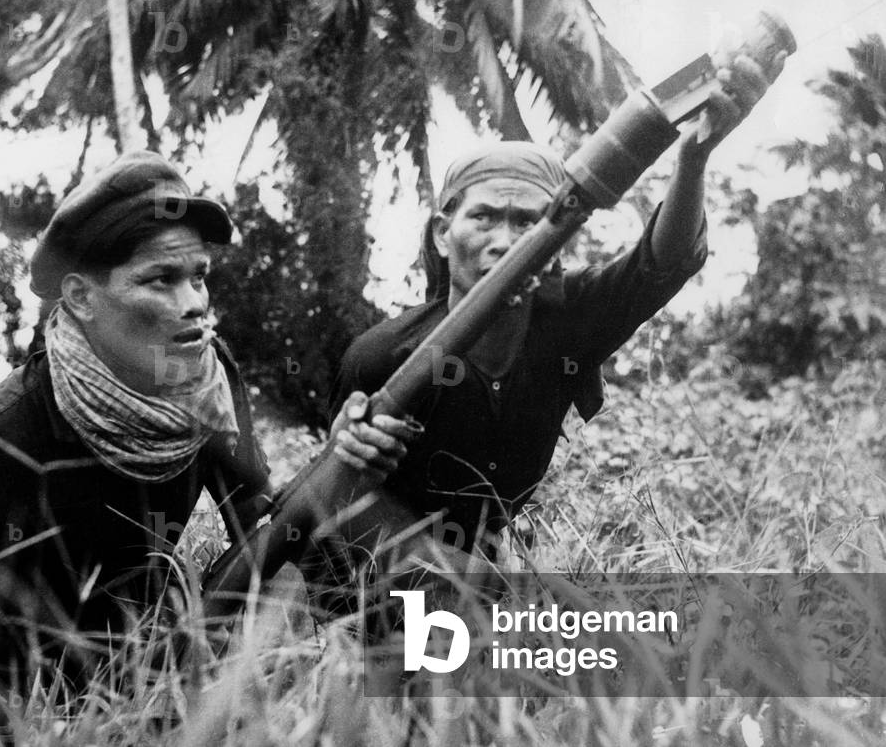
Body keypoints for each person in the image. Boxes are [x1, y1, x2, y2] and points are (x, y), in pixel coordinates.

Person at [0, 151, 412, 742]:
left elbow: (261, 523)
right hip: (26, 695)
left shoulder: (208, 380)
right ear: (80, 298)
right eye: (161, 280)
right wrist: (17, 720)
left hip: (173, 676)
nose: (195, 305)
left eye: (199, 276)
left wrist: (340, 469)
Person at [302, 50, 782, 602]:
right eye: (483, 217)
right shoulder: (384, 356)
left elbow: (662, 263)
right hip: (366, 581)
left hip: (481, 575)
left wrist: (695, 156)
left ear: (553, 244)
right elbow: (329, 511)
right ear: (442, 234)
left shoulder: (574, 320)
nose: (505, 242)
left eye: (528, 222)